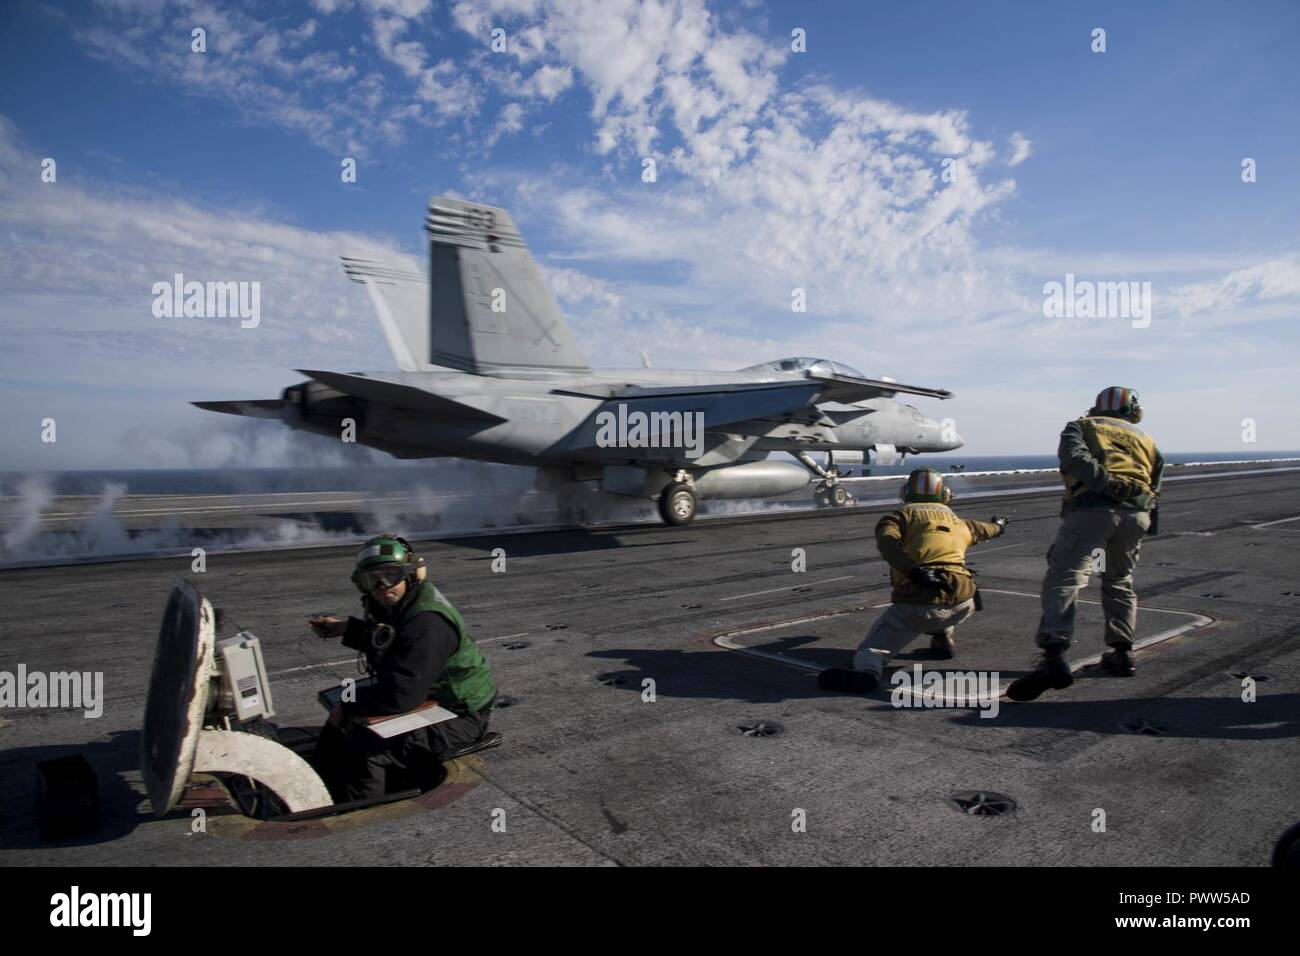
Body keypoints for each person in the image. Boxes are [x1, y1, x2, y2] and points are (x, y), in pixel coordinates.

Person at [309, 533, 499, 801]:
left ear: (411, 573)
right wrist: (346, 629)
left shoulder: (427, 623)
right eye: (372, 579)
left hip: (460, 715)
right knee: (344, 722)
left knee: (367, 746)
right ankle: (318, 787)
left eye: (391, 574)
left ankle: (359, 816)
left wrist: (349, 705)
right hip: (430, 695)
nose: (383, 585)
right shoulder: (406, 601)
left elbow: (401, 696)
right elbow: (392, 637)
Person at [1007, 387, 1164, 702]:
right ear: (1132, 409)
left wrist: (1105, 484)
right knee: (1119, 580)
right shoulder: (1146, 439)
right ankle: (1121, 652)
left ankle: (1053, 655)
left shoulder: (1081, 426)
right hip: (1136, 515)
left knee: (1065, 579)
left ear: (1097, 407)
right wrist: (1147, 517)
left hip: (1092, 511)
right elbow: (1155, 481)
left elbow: (1073, 458)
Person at [819, 468, 1009, 693]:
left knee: (871, 651)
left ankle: (867, 674)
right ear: (945, 494)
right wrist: (999, 524)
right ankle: (943, 642)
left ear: (906, 492)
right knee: (945, 595)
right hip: (964, 602)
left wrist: (912, 570)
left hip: (919, 603)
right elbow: (991, 530)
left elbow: (887, 542)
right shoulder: (960, 522)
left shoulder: (899, 516)